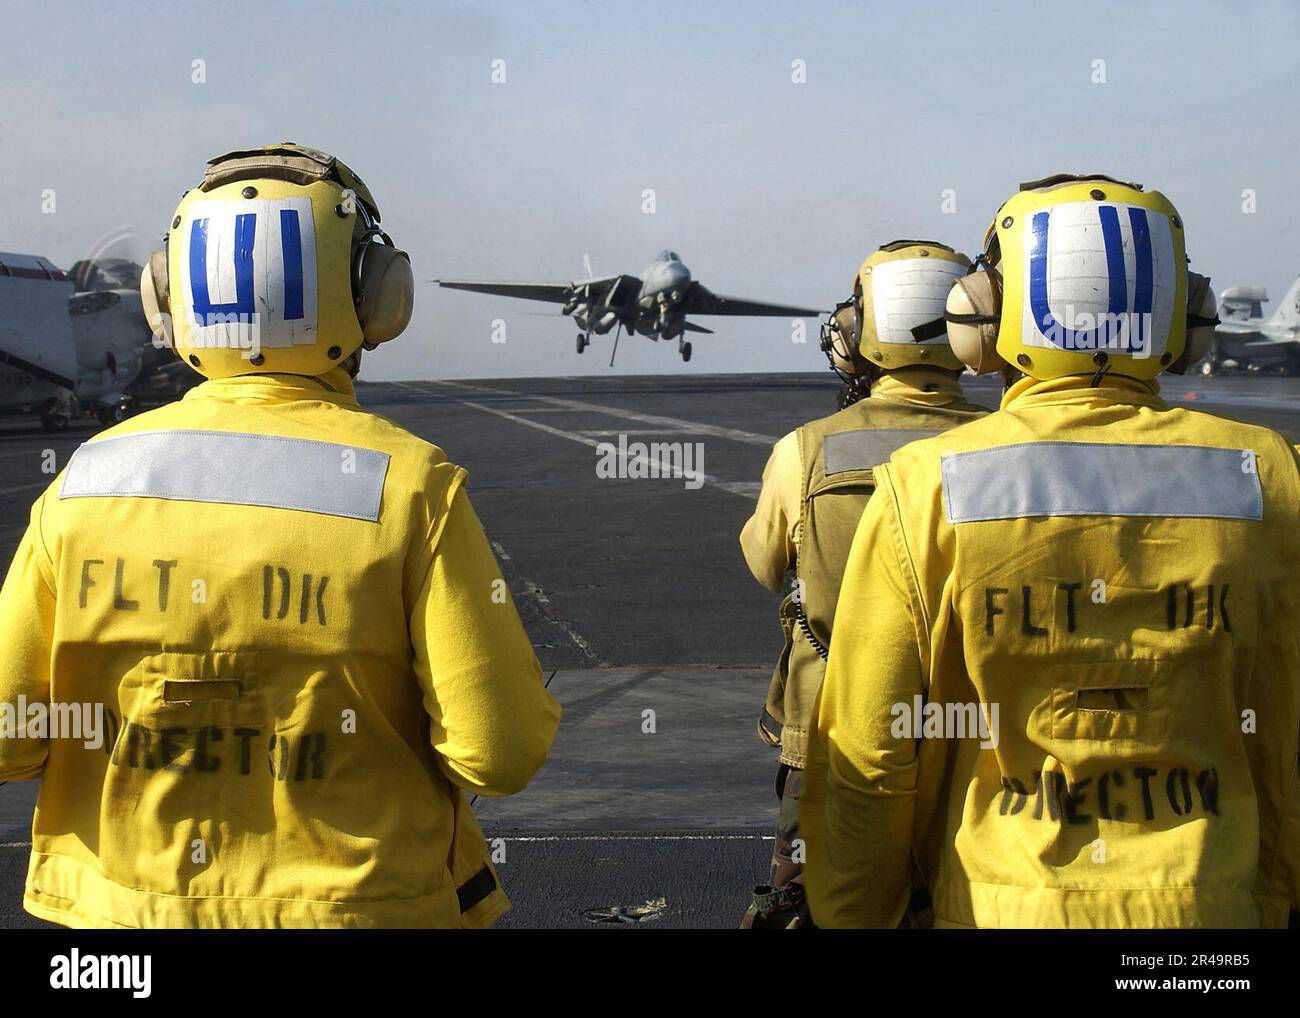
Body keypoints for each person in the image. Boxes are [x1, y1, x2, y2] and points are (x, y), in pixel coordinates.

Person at [0, 143, 560, 928]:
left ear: (169, 296)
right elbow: (496, 755)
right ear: (375, 297)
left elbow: (9, 739)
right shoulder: (408, 485)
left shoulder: (84, 483)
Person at [802, 173, 1300, 928]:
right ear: (1186, 315)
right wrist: (1272, 896)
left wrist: (856, 916)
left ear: (984, 316)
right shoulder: (1270, 476)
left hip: (1005, 906)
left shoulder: (924, 485)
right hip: (1210, 915)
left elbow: (871, 752)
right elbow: (1285, 730)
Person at [738, 240, 989, 927]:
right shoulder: (1012, 443)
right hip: (977, 733)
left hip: (830, 728)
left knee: (807, 898)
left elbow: (763, 567)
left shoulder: (806, 448)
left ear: (853, 337)